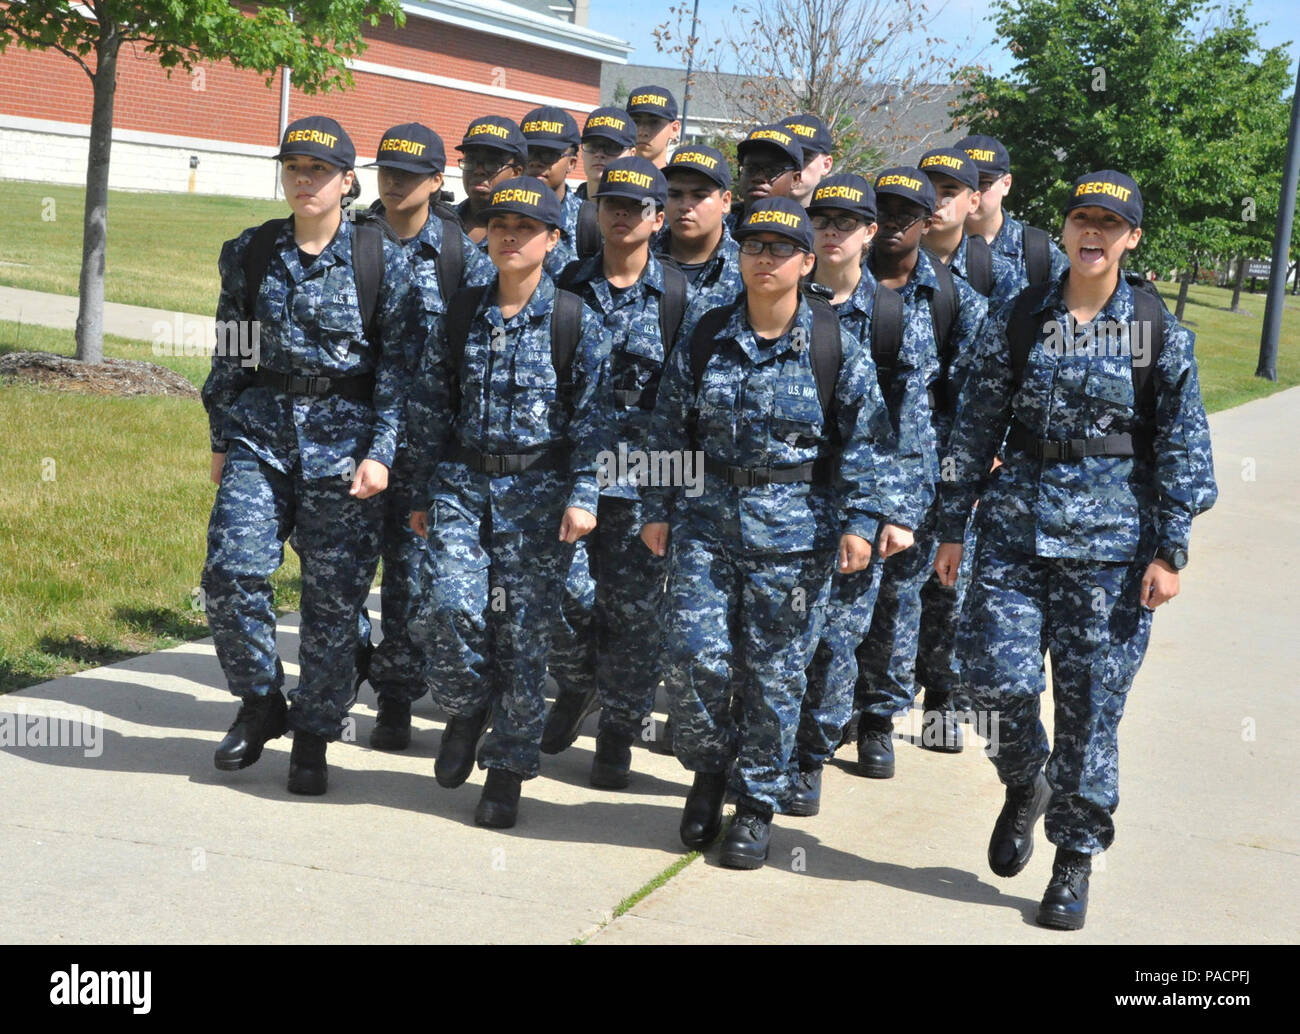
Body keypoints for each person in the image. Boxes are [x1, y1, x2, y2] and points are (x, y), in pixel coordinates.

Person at [934, 170, 1217, 930]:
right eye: (1080, 219)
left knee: (1091, 716)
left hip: (1114, 557)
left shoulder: (1159, 333)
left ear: (1132, 237)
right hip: (1014, 541)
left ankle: (1074, 857)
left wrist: (1171, 552)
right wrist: (953, 524)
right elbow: (973, 428)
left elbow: (1184, 453)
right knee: (991, 681)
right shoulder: (1019, 318)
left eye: (1109, 223)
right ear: (1063, 230)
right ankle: (1026, 779)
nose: (1092, 232)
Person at [642, 197, 901, 868]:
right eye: (754, 246)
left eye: (780, 249)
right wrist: (656, 508)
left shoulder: (831, 343)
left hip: (796, 541)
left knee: (774, 677)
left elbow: (868, 442)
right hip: (706, 525)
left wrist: (862, 522)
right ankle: (706, 774)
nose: (765, 258)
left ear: (806, 262)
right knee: (695, 659)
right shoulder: (706, 332)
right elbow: (668, 426)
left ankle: (755, 808)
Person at [203, 116, 416, 794]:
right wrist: (220, 432)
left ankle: (316, 735)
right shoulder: (252, 250)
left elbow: (402, 373)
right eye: (294, 167)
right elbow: (231, 345)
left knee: (332, 606)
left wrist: (382, 452)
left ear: (348, 181)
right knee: (231, 572)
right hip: (260, 436)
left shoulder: (381, 260)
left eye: (319, 169)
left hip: (345, 451)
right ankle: (262, 701)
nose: (304, 179)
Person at [405, 177, 612, 829]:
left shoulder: (577, 321)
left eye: (526, 227)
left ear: (554, 239)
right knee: (446, 607)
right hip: (463, 488)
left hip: (540, 499)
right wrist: (417, 487)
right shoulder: (462, 310)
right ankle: (467, 704)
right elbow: (431, 404)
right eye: (500, 225)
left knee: (524, 643)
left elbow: (594, 422)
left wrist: (583, 496)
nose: (510, 235)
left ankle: (505, 774)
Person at [787, 174, 931, 816]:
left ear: (871, 233)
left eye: (847, 224)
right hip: (783, 504)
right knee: (776, 636)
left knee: (836, 640)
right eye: (823, 221)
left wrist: (897, 512)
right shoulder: (785, 299)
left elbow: (911, 426)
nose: (832, 233)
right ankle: (762, 750)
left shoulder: (894, 318)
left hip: (858, 504)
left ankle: (808, 758)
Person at [540, 158, 685, 787]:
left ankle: (619, 732)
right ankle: (577, 685)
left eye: (634, 207)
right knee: (563, 599)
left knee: (633, 618)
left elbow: (688, 409)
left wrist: (672, 496)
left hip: (645, 475)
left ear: (657, 219)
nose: (620, 216)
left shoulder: (684, 300)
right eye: (610, 205)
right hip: (573, 471)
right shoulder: (564, 288)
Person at [355, 122, 495, 751]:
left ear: (440, 182)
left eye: (410, 175)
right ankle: (343, 677)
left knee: (411, 584)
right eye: (387, 170)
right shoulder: (352, 242)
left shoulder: (467, 262)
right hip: (349, 436)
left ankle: (395, 701)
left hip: (428, 445)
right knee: (340, 575)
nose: (394, 182)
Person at [852, 167, 986, 774]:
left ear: (928, 220)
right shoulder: (828, 287)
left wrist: (952, 482)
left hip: (916, 471)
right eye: (884, 209)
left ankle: (879, 718)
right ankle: (825, 713)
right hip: (841, 467)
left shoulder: (955, 302)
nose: (893, 223)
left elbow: (970, 403)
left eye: (908, 213)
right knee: (836, 593)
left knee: (899, 602)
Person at [956, 134, 1069, 294]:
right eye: (963, 183)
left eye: (982, 183)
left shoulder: (1036, 251)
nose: (972, 194)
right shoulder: (931, 247)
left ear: (1006, 184)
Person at [520, 105, 585, 276]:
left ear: (571, 163)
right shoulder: (503, 215)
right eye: (529, 153)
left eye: (548, 154)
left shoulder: (590, 221)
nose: (535, 162)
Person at [454, 116, 527, 247]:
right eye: (471, 161)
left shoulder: (531, 234)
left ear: (516, 173)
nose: (478, 171)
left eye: (492, 163)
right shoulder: (441, 222)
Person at [728, 124, 804, 231]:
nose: (758, 178)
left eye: (772, 170)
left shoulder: (810, 234)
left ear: (795, 179)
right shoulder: (716, 229)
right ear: (740, 174)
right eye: (751, 168)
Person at [576, 107, 637, 200]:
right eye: (592, 146)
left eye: (612, 147)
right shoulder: (558, 210)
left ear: (632, 155)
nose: (599, 154)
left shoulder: (644, 210)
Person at [780, 113, 834, 207]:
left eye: (803, 159)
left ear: (826, 165)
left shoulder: (833, 219)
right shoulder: (749, 217)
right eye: (784, 158)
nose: (793, 169)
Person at [626, 85, 681, 169]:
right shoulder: (609, 179)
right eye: (636, 122)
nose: (642, 132)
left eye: (654, 122)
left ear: (674, 129)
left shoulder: (677, 181)